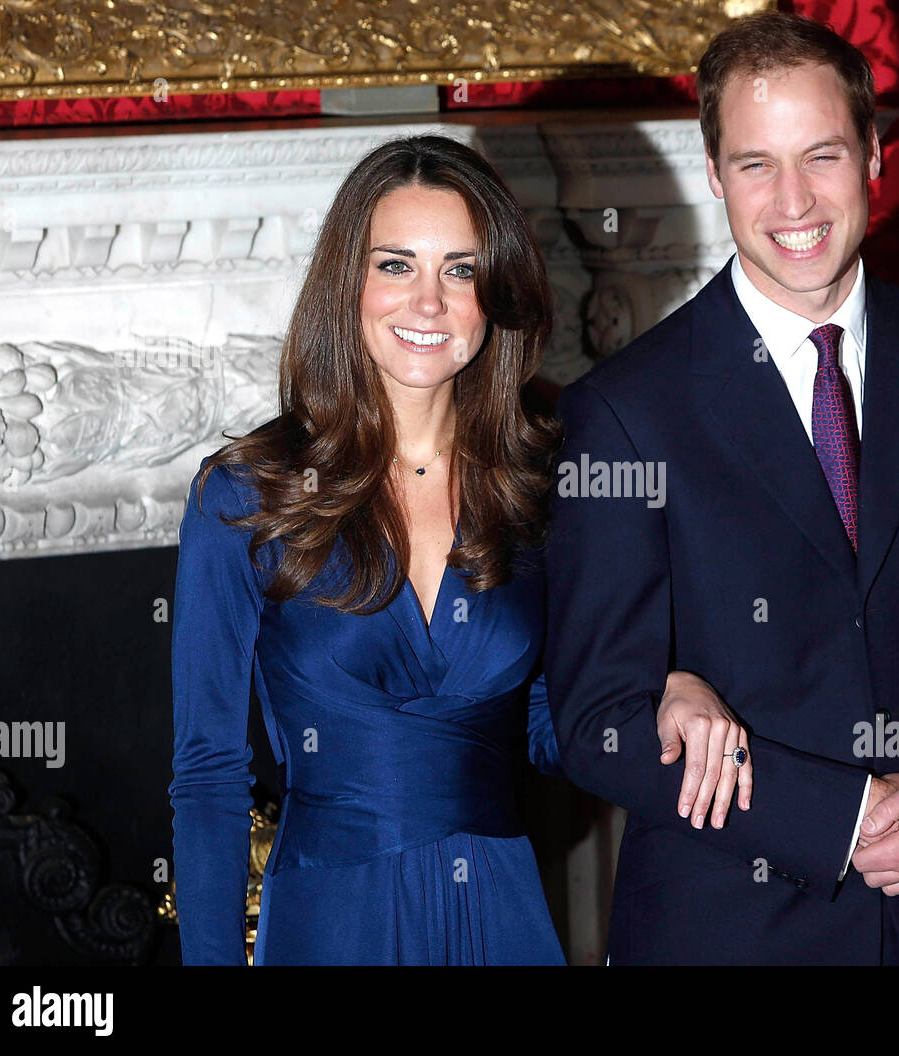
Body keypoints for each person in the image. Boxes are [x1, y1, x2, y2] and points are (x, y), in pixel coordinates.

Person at [543, 12, 899, 965]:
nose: (793, 200)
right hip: (722, 932)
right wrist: (843, 815)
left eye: (822, 155)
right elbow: (595, 721)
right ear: (714, 175)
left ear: (874, 151)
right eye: (755, 164)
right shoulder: (624, 413)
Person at [168, 134, 742, 965]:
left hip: (502, 914)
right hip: (330, 921)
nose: (428, 303)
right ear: (348, 285)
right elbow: (209, 777)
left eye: (462, 270)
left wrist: (658, 694)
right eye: (396, 265)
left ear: (496, 295)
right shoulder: (247, 494)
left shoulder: (542, 486)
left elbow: (551, 724)